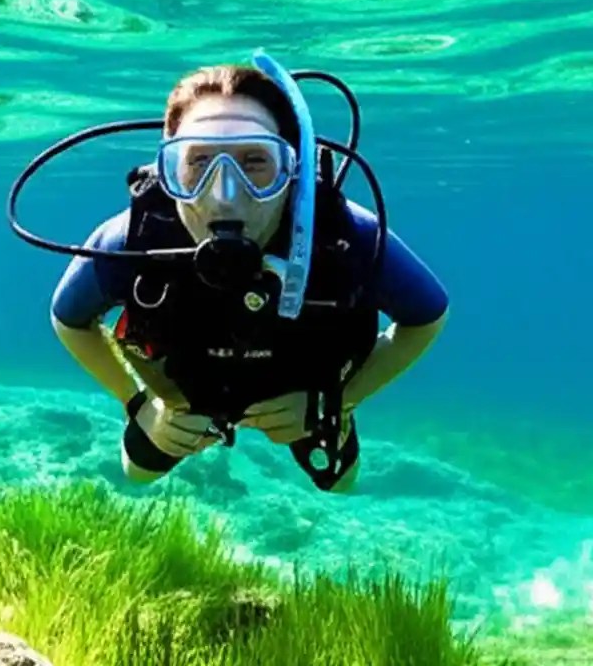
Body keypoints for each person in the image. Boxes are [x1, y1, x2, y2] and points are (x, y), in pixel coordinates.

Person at [38, 58, 449, 493]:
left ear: (293, 172)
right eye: (197, 163)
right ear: (167, 173)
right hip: (183, 394)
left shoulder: (348, 237)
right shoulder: (130, 241)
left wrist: (336, 403)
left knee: (342, 483)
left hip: (302, 394)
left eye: (254, 162)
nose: (224, 195)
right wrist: (139, 402)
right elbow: (69, 319)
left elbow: (427, 317)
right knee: (137, 472)